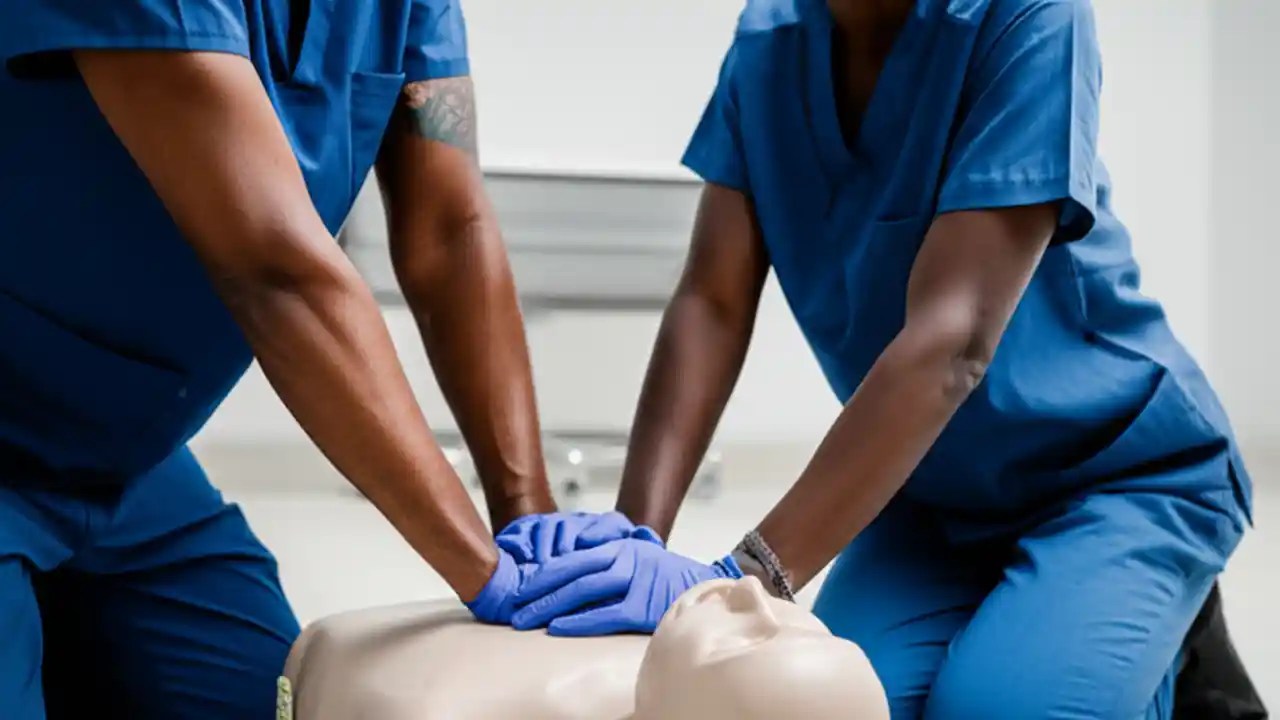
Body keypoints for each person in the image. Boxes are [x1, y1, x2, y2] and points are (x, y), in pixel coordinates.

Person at [503, 0, 1261, 718]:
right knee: (822, 704)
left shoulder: (1027, 14)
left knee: (1001, 709)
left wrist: (743, 581)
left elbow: (954, 340)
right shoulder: (771, 40)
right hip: (932, 494)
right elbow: (713, 300)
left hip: (1116, 471)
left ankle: (1172, 643)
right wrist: (638, 539)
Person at [0, 1, 641, 717]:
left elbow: (450, 230)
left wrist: (531, 529)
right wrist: (490, 576)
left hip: (126, 462)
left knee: (262, 694)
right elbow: (277, 272)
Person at [281, 576, 889, 720]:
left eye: (746, 644)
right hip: (330, 657)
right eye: (809, 624)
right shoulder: (667, 675)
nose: (754, 592)